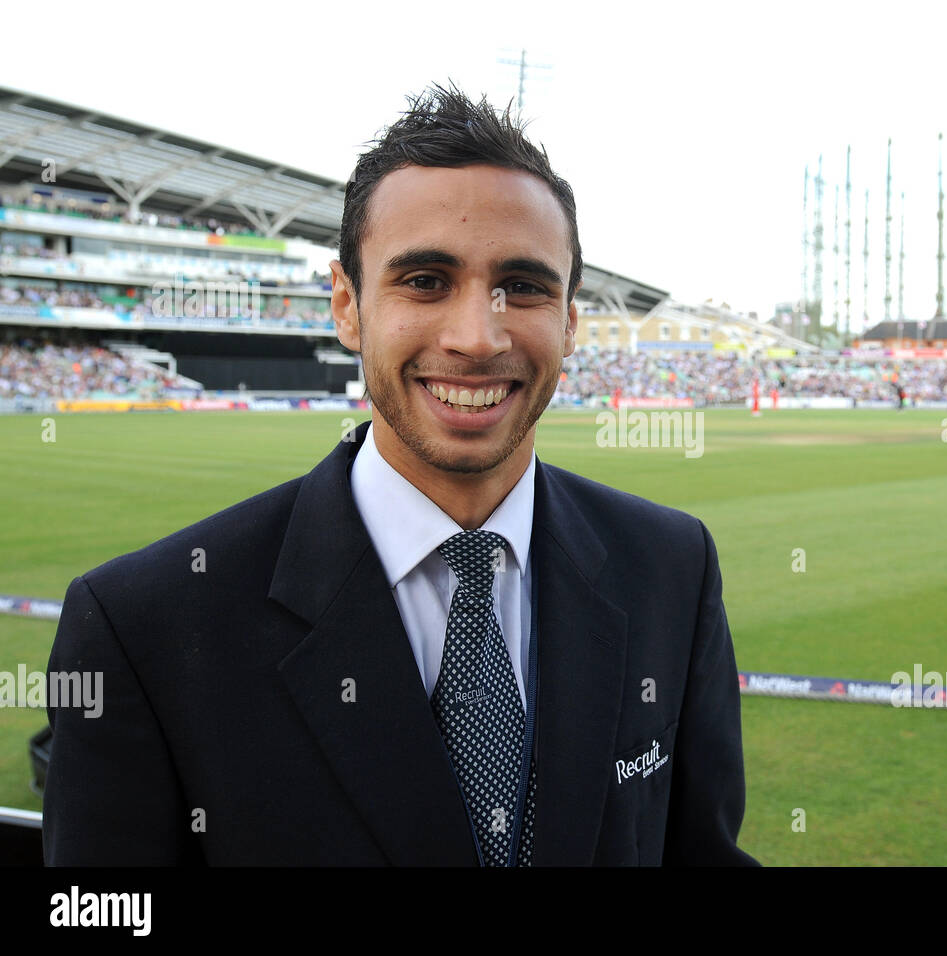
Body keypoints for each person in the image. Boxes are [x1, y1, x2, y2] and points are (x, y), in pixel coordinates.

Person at [42, 85, 757, 867]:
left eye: (523, 287)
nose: (477, 338)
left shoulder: (670, 567)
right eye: (425, 281)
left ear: (571, 320)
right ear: (347, 306)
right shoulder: (143, 625)